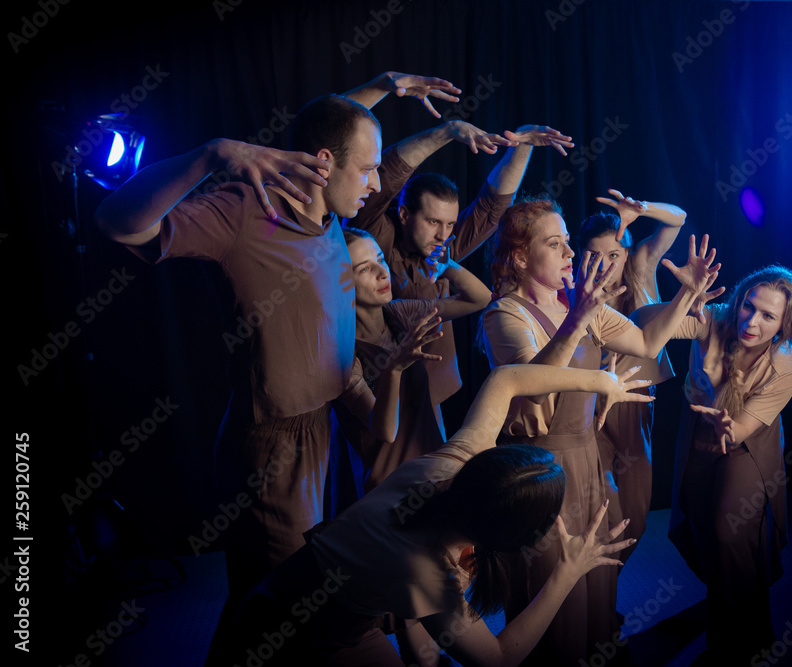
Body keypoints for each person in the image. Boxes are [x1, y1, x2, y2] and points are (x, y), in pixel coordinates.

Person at [92, 71, 458, 605]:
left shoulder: (332, 214)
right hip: (271, 450)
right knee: (282, 612)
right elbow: (115, 223)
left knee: (294, 606)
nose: (378, 183)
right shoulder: (248, 211)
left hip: (325, 433)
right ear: (327, 166)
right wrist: (210, 155)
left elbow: (327, 131)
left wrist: (382, 85)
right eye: (370, 169)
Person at [205, 363, 652, 667]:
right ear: (514, 540)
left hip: (288, 602)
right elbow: (498, 659)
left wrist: (600, 380)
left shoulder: (453, 467)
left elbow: (505, 378)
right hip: (291, 640)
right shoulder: (429, 576)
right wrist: (567, 571)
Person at [480, 197, 722, 665]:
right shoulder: (504, 314)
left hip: (587, 459)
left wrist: (685, 296)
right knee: (550, 584)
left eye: (568, 242)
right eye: (556, 244)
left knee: (594, 581)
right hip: (538, 469)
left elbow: (648, 342)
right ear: (520, 257)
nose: (571, 254)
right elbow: (531, 385)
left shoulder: (580, 301)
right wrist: (577, 319)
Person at [352, 119, 574, 434]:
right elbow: (387, 177)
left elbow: (490, 208)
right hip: (370, 391)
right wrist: (445, 132)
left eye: (450, 224)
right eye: (432, 222)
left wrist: (522, 147)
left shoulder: (444, 247)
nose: (444, 234)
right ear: (404, 214)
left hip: (429, 395)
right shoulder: (374, 235)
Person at [664, 265, 792, 664]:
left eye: (768, 316)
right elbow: (651, 330)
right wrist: (681, 301)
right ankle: (728, 608)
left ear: (783, 325)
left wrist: (715, 393)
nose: (751, 321)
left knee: (730, 532)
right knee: (699, 522)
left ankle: (742, 643)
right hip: (699, 428)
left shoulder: (784, 364)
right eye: (749, 306)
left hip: (745, 445)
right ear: (740, 300)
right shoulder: (717, 317)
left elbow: (738, 432)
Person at [577, 188, 693, 563]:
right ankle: (598, 604)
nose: (605, 263)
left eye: (614, 254)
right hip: (586, 402)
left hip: (635, 402)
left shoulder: (640, 266)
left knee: (635, 514)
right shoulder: (574, 288)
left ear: (626, 252)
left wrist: (642, 209)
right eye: (595, 254)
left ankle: (608, 586)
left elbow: (677, 217)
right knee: (595, 505)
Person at [335, 226, 491, 491]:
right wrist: (394, 368)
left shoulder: (399, 312)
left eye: (380, 260)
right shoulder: (344, 353)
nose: (382, 272)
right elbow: (385, 431)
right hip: (390, 491)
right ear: (341, 283)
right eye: (365, 269)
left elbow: (480, 298)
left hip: (433, 473)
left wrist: (448, 266)